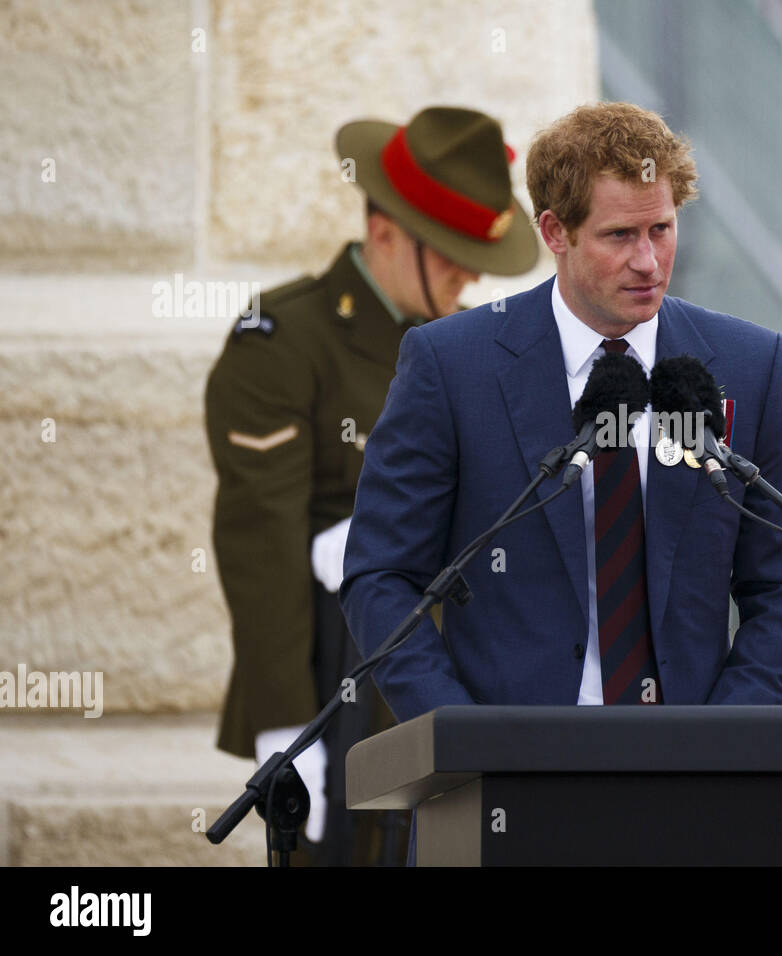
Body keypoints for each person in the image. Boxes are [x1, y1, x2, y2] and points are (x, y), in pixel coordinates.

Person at [341, 100, 782, 733]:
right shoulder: (451, 366)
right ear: (553, 233)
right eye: (620, 236)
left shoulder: (753, 365)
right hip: (504, 784)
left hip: (695, 778)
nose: (649, 261)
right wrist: (460, 739)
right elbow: (381, 576)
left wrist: (726, 741)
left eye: (662, 228)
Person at [203, 106, 538, 865]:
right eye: (449, 253)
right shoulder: (285, 341)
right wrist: (286, 728)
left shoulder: (474, 346)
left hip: (456, 686)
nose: (470, 273)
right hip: (339, 686)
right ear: (385, 231)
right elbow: (262, 548)